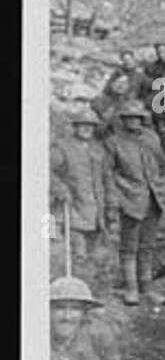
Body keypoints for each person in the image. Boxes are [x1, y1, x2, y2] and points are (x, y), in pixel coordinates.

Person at [103, 101, 165, 306]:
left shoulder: (152, 138)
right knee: (129, 246)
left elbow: (162, 164)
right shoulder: (113, 142)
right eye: (129, 117)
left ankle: (147, 287)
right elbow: (107, 174)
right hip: (129, 199)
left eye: (137, 117)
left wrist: (164, 190)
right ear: (123, 120)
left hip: (153, 199)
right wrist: (114, 201)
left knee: (148, 246)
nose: (133, 121)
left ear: (142, 119)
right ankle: (131, 288)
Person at [51, 109, 109, 265]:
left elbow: (106, 178)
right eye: (83, 125)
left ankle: (89, 286)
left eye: (90, 125)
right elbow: (48, 172)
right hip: (72, 211)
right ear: (75, 126)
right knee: (77, 255)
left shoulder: (98, 149)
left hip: (96, 214)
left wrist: (110, 204)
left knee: (94, 258)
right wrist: (60, 189)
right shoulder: (62, 147)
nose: (87, 129)